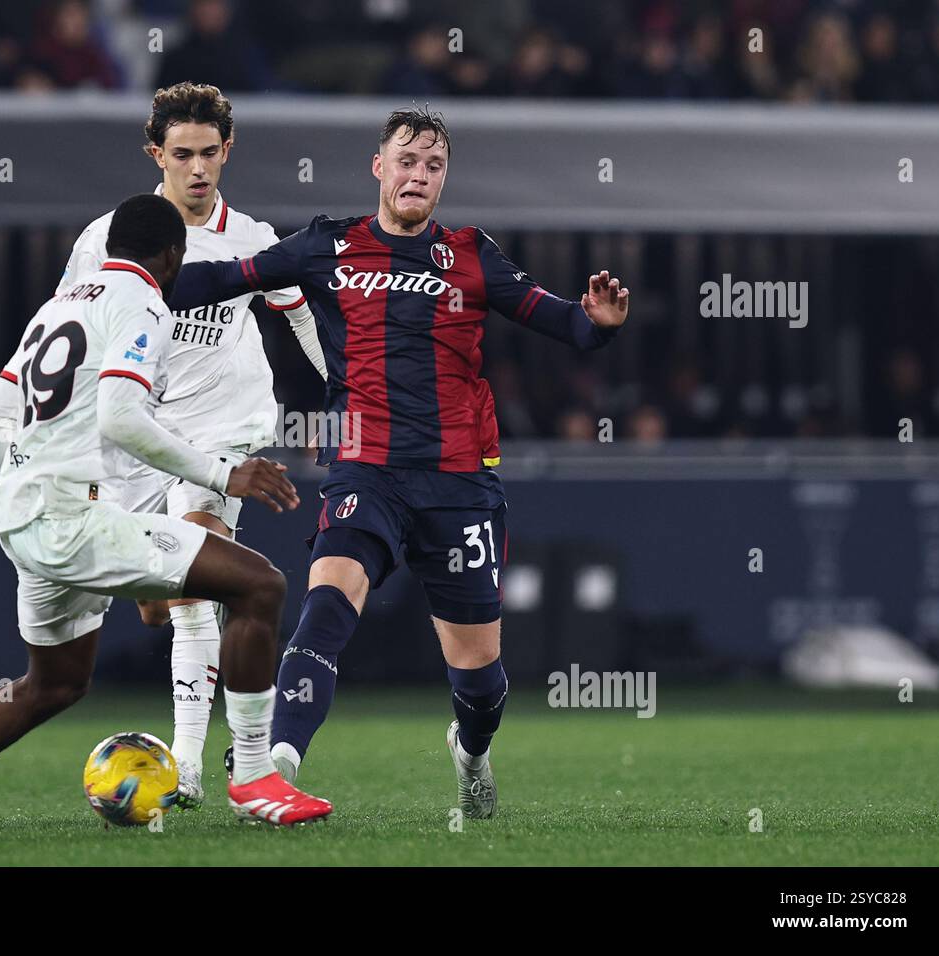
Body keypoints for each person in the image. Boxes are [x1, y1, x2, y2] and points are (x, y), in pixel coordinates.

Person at [169, 107, 630, 819]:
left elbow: (559, 318)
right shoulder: (328, 245)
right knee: (325, 607)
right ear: (379, 169)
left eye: (434, 165)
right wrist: (133, 278)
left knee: (478, 678)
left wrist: (594, 324)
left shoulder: (472, 255)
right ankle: (272, 766)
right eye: (407, 161)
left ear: (443, 178)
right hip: (365, 471)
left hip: (458, 484)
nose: (419, 175)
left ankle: (471, 752)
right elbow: (227, 276)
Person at [0, 194, 332, 832]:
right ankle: (253, 778)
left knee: (50, 685)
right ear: (173, 256)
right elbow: (121, 416)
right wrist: (226, 473)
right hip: (73, 523)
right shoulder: (140, 302)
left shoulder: (59, 306)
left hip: (24, 521)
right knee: (261, 585)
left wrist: (36, 474)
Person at [54, 82, 325, 808]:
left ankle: (197, 770)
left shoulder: (255, 240)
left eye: (210, 153)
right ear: (156, 154)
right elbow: (68, 336)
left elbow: (298, 316)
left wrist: (345, 388)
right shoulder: (106, 238)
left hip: (226, 427)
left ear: (226, 150)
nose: (198, 168)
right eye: (183, 154)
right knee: (161, 601)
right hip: (137, 432)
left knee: (201, 569)